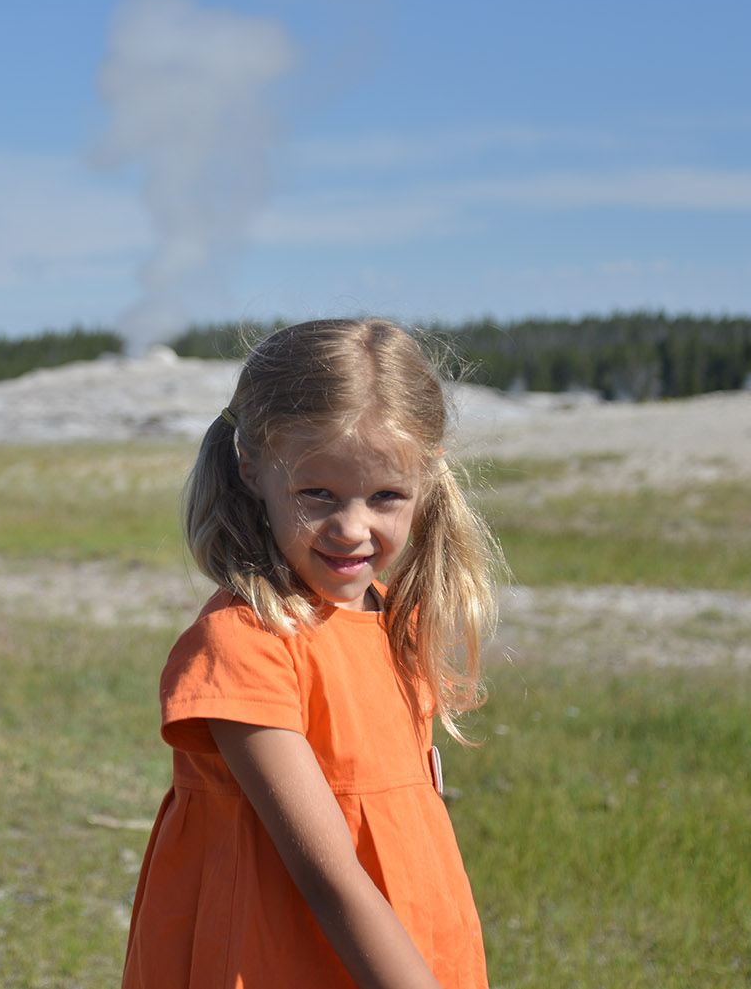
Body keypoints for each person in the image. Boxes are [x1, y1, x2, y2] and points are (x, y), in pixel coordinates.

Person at [120, 318, 505, 989]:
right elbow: (327, 876)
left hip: (398, 949)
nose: (351, 527)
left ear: (430, 472)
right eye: (317, 494)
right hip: (276, 958)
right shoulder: (244, 645)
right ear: (253, 468)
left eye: (386, 495)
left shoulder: (388, 618)